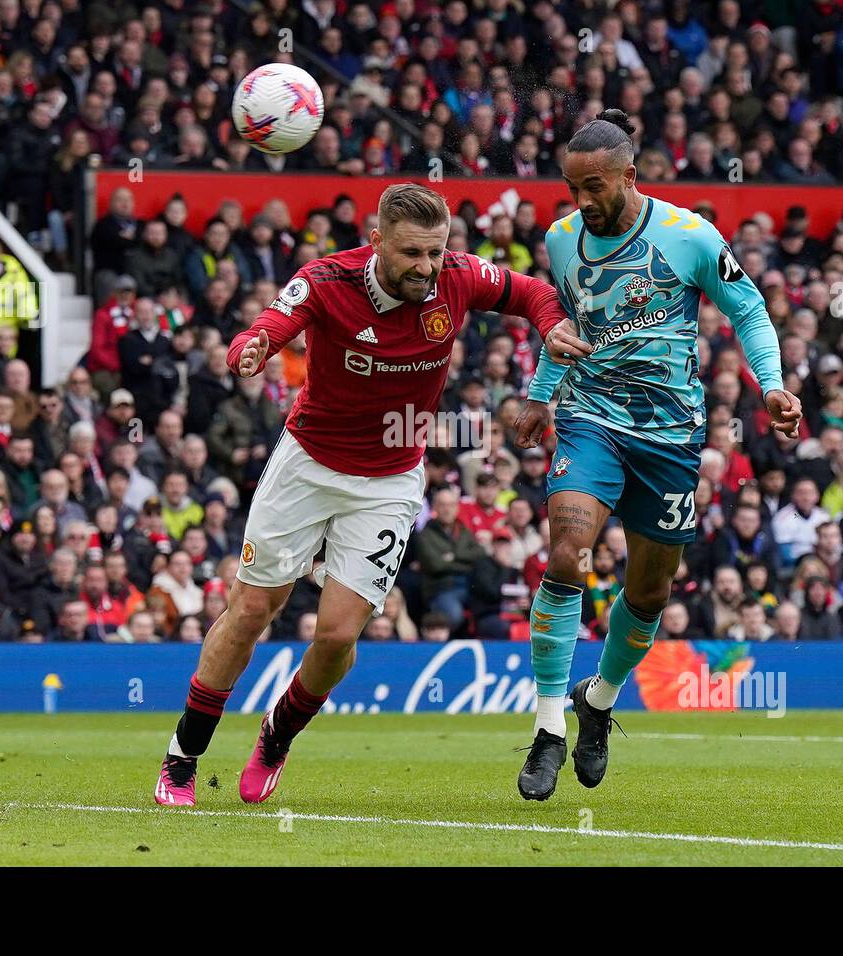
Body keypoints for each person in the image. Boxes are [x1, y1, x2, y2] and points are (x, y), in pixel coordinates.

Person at [152, 182, 584, 807]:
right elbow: (275, 321)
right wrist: (253, 347)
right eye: (412, 253)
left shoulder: (459, 276)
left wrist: (549, 325)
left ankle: (277, 736)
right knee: (250, 611)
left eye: (436, 252)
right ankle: (182, 756)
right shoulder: (328, 279)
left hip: (388, 481)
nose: (427, 267)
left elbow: (534, 292)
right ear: (376, 241)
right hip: (307, 465)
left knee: (336, 637)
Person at [511, 109, 800, 801]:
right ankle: (548, 728)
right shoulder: (559, 240)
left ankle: (599, 702)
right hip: (590, 419)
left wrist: (774, 385)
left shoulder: (689, 236)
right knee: (567, 551)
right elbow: (566, 325)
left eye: (595, 187)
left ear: (629, 177)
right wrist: (541, 395)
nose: (582, 202)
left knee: (648, 591)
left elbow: (750, 310)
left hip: (670, 435)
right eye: (572, 188)